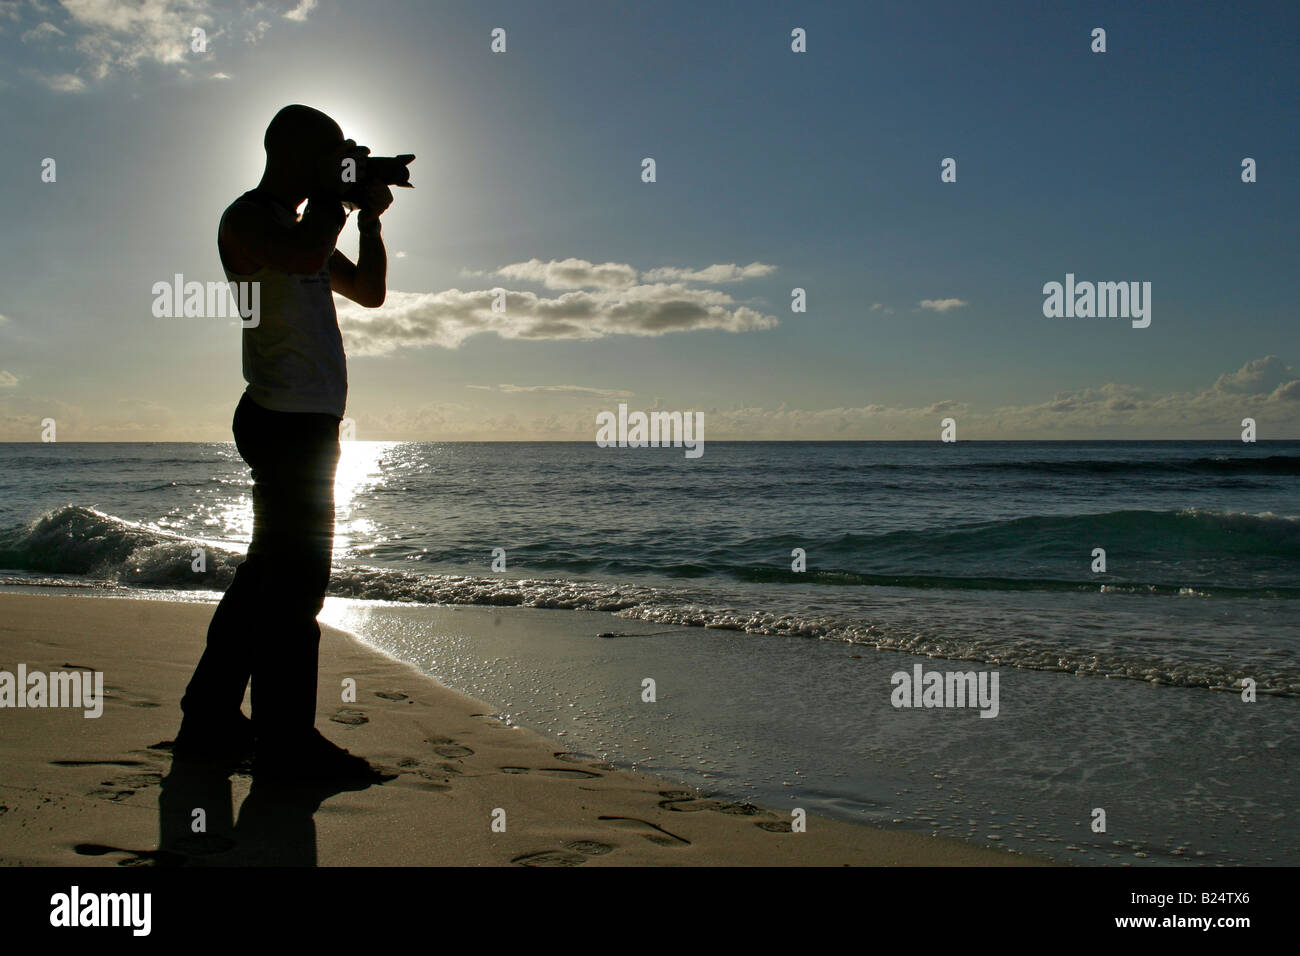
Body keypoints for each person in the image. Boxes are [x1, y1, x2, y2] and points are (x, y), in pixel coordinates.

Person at [175, 105, 392, 781]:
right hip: (281, 420)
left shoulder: (304, 228)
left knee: (267, 581)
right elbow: (300, 256)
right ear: (294, 155)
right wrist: (337, 195)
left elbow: (370, 291)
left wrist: (372, 217)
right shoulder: (251, 221)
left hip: (308, 423)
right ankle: (285, 742)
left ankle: (209, 716)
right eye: (328, 154)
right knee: (296, 590)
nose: (337, 166)